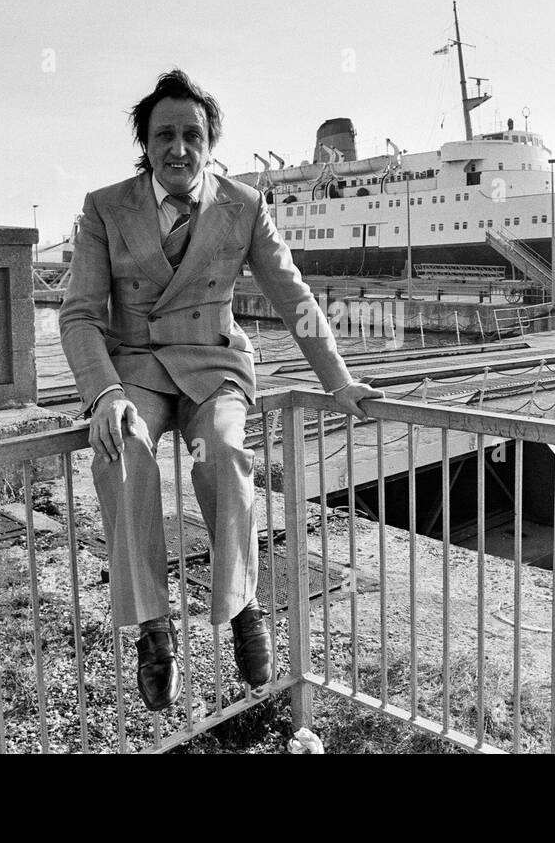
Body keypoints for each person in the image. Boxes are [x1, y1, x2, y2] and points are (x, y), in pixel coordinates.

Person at [59, 69, 381, 711]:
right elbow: (80, 314)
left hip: (213, 364)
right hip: (139, 371)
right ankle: (154, 628)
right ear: (145, 144)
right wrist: (104, 395)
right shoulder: (104, 207)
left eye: (192, 134)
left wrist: (339, 381)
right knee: (125, 451)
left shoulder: (245, 204)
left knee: (229, 452)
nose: (179, 147)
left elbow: (295, 300)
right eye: (165, 135)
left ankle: (241, 604)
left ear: (210, 141)